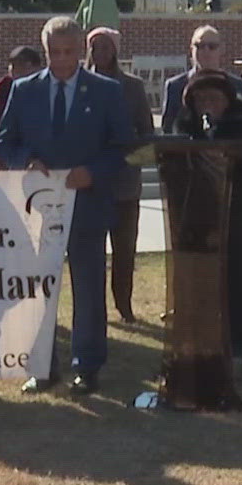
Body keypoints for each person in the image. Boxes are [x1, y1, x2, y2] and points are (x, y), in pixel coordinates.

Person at [0, 16, 135, 394]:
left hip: (87, 204)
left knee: (89, 289)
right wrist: (26, 161)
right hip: (38, 208)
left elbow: (122, 145)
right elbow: (5, 142)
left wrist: (93, 172)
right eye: (54, 52)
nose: (61, 60)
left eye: (68, 52)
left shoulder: (105, 91)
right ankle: (41, 365)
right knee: (39, 289)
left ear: (81, 51)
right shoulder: (24, 90)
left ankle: (86, 366)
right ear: (45, 51)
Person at [174, 70, 242, 391]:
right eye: (201, 100)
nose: (208, 105)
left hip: (241, 222)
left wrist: (238, 149)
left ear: (227, 101)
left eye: (214, 99)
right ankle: (204, 358)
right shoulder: (183, 131)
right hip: (199, 220)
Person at [86, 27, 156, 322]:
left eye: (105, 47)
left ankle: (124, 303)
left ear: (115, 50)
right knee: (91, 252)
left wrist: (130, 161)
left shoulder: (132, 87)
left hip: (125, 184)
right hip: (90, 182)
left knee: (125, 249)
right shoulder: (80, 84)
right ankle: (94, 308)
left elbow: (147, 134)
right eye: (94, 47)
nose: (99, 52)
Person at [162, 24, 242, 131]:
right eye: (199, 46)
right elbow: (167, 130)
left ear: (221, 50)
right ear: (191, 49)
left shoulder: (237, 86)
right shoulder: (175, 86)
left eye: (212, 46)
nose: (206, 51)